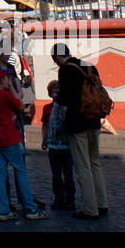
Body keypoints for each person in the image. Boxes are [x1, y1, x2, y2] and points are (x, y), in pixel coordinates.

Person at [53, 42, 107, 220]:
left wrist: (56, 97)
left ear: (58, 58)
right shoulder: (89, 66)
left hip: (77, 123)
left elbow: (65, 98)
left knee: (83, 166)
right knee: (95, 163)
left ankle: (90, 209)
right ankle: (102, 203)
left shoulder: (65, 71)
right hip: (94, 120)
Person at [0, 69, 47, 221]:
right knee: (20, 171)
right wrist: (12, 88)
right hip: (10, 137)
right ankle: (31, 209)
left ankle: (3, 210)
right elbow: (19, 105)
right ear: (1, 80)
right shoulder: (4, 95)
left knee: (0, 173)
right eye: (6, 78)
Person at [41, 79, 75, 210]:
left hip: (66, 146)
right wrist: (44, 139)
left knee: (68, 175)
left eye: (58, 90)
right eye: (53, 90)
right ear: (50, 93)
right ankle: (58, 198)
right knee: (56, 175)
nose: (56, 92)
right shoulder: (47, 108)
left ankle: (70, 199)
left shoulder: (67, 106)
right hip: (53, 146)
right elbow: (44, 125)